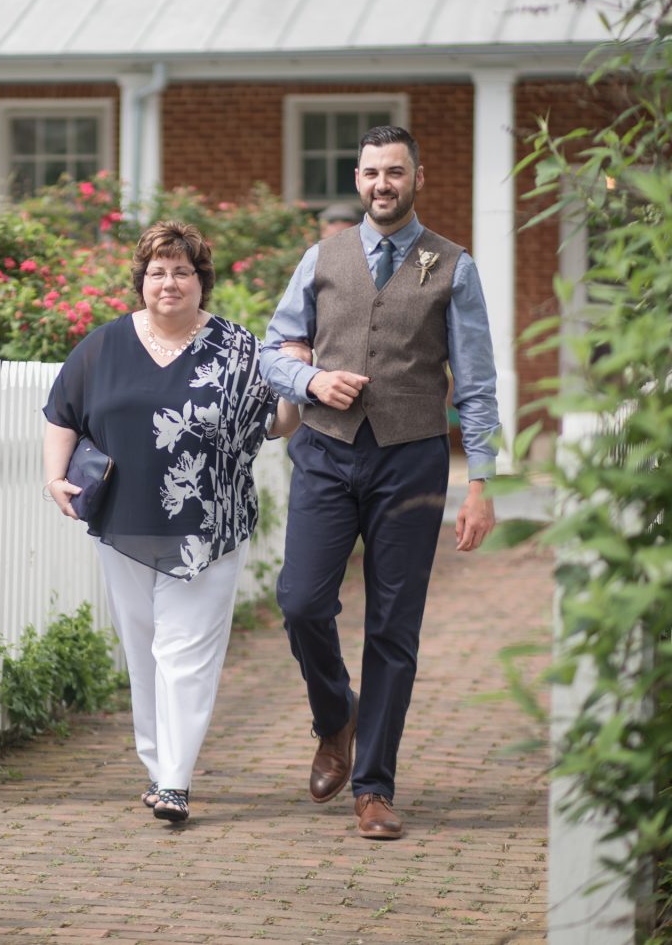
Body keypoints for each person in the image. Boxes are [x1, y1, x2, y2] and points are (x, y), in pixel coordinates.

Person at [259, 125, 500, 841]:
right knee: (301, 600)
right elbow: (271, 349)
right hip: (328, 454)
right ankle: (336, 716)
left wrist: (481, 481)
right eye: (370, 172)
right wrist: (312, 379)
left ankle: (375, 786)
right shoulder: (323, 256)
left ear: (417, 177)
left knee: (394, 626)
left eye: (395, 172)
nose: (381, 184)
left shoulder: (453, 266)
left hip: (412, 460)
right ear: (358, 177)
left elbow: (477, 383)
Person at [43, 220, 299, 824]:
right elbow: (63, 413)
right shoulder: (102, 346)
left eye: (182, 271)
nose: (169, 282)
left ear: (200, 281)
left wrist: (296, 374)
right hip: (123, 522)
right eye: (158, 272)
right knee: (144, 649)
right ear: (142, 281)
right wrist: (55, 477)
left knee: (187, 651)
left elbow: (278, 423)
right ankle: (158, 766)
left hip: (207, 521)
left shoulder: (238, 348)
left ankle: (176, 782)